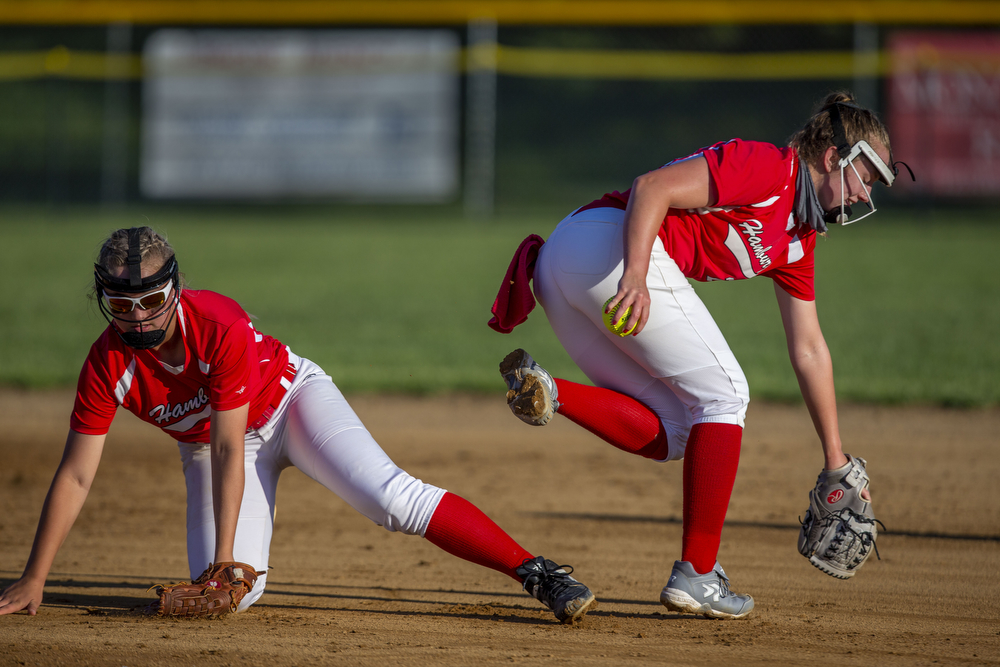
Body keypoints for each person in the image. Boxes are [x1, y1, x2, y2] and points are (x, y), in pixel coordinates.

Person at [0, 227, 596, 624]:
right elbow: (77, 475)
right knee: (233, 600)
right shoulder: (108, 364)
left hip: (291, 403)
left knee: (390, 499)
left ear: (174, 290)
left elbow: (233, 443)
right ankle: (229, 574)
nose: (137, 317)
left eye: (150, 300)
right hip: (210, 448)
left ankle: (537, 574)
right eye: (121, 304)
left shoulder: (218, 323)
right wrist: (34, 577)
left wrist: (224, 555)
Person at [489, 92, 910, 619]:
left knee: (678, 429)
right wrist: (637, 276)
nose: (865, 194)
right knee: (726, 394)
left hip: (568, 268)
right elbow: (652, 188)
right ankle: (698, 573)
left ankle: (548, 391)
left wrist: (835, 457)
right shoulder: (769, 168)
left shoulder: (798, 240)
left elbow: (808, 348)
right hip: (609, 244)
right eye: (864, 176)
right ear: (832, 158)